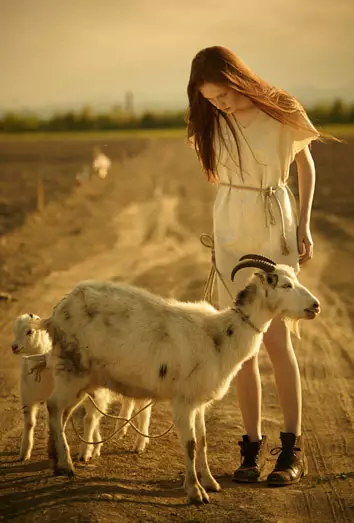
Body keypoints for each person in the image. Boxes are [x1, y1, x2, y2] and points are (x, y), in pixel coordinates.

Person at [187, 45, 324, 486]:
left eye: (222, 95)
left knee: (278, 339)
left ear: (237, 78)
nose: (219, 104)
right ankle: (250, 449)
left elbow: (305, 163)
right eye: (210, 99)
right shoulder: (212, 119)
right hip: (230, 224)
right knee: (241, 343)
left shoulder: (282, 108)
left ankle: (290, 451)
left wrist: (302, 223)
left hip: (273, 223)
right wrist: (211, 111)